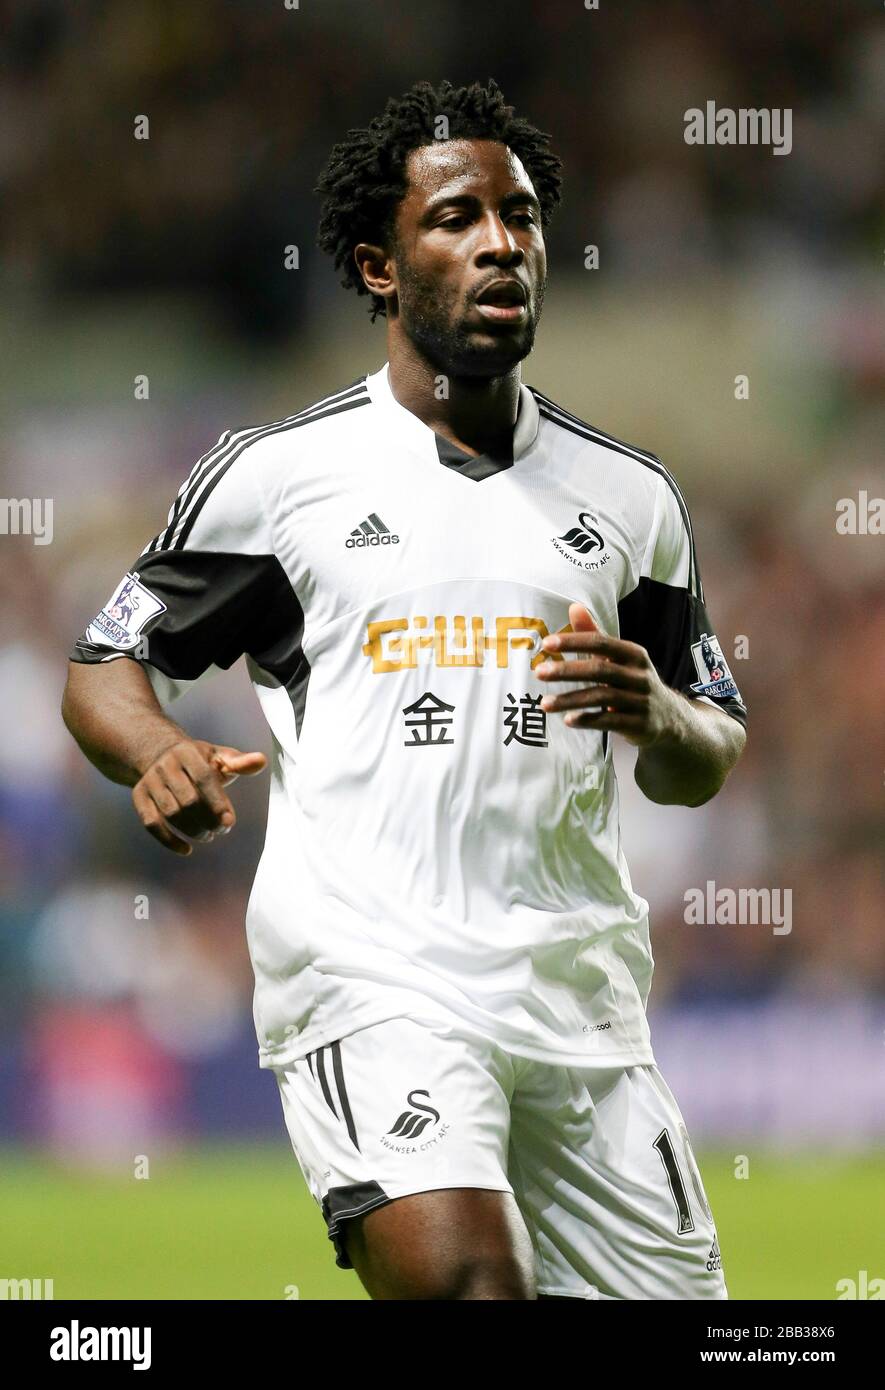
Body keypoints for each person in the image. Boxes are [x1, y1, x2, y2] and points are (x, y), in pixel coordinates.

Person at [62, 79, 746, 1301]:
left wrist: (660, 711)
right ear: (381, 267)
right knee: (474, 1288)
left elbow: (706, 756)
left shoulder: (630, 500)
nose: (502, 241)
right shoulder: (281, 479)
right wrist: (151, 750)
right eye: (460, 217)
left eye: (523, 216)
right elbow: (108, 664)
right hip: (373, 978)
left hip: (578, 1000)